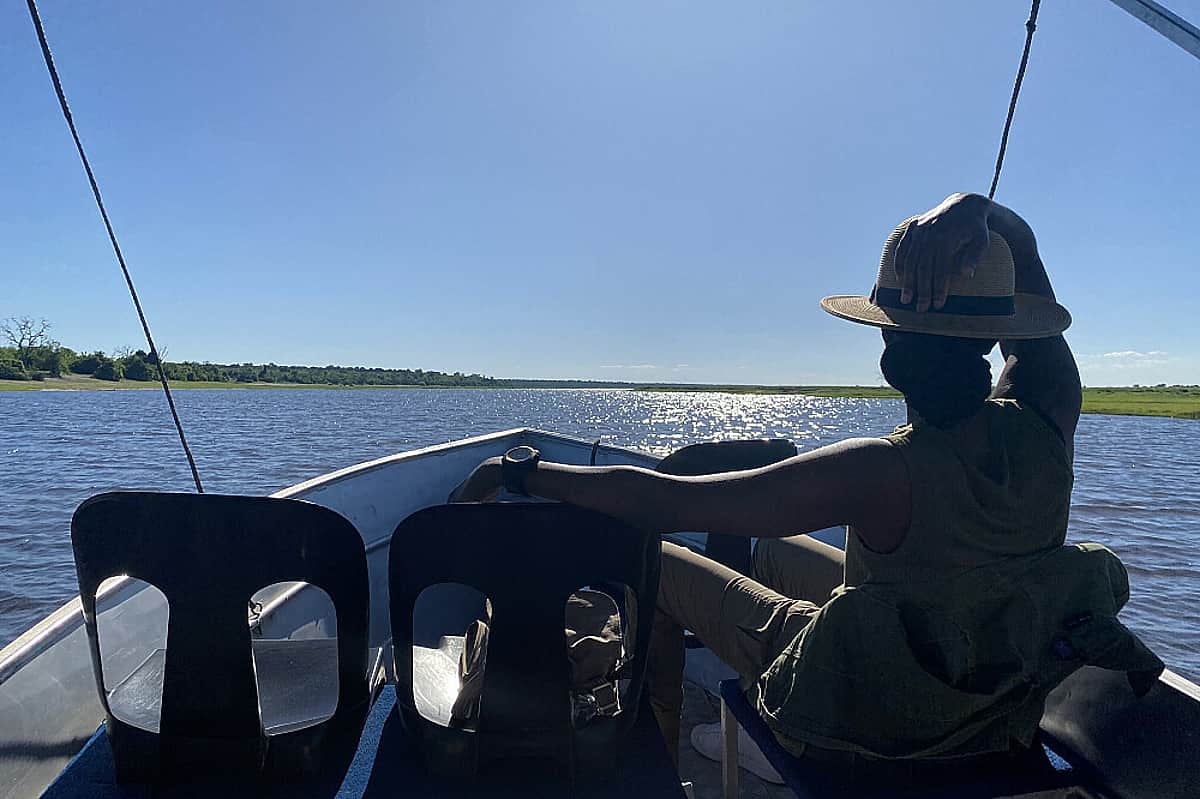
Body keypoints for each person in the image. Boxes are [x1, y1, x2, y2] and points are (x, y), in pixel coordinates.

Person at [450, 193, 1162, 787]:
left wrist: (516, 471)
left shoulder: (877, 472)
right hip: (984, 689)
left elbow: (664, 502)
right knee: (767, 549)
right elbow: (1034, 298)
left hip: (880, 710)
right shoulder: (1048, 416)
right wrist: (982, 214)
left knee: (658, 560)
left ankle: (662, 762)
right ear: (998, 335)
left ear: (890, 356)